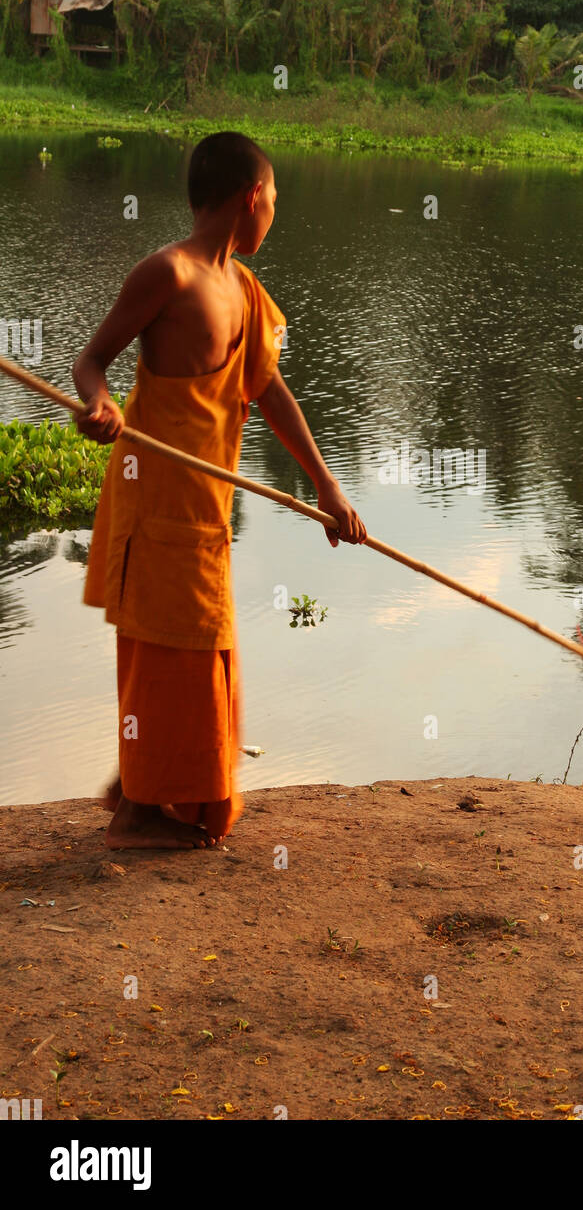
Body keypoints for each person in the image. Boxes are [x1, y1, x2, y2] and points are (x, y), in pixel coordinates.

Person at [73, 131, 365, 849]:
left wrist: (328, 487)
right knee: (172, 652)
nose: (274, 214)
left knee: (201, 652)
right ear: (250, 197)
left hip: (205, 509)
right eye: (275, 201)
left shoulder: (244, 290)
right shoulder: (166, 275)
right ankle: (139, 812)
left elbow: (269, 391)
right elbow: (91, 361)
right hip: (155, 501)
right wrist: (100, 407)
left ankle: (145, 787)